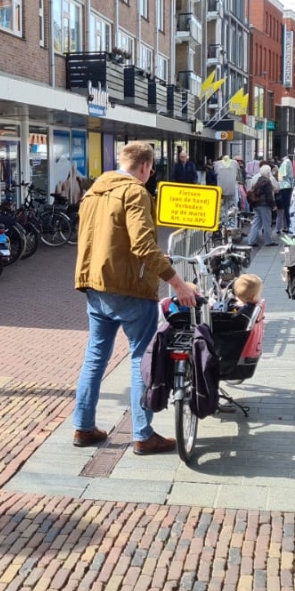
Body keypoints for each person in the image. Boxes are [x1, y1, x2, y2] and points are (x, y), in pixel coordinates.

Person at [72, 141, 199, 456]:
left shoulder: (92, 193)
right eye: (151, 170)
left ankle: (83, 426)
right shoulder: (135, 192)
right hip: (129, 289)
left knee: (95, 357)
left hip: (95, 285)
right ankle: (142, 434)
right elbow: (142, 244)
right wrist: (179, 284)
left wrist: (156, 257)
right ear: (144, 167)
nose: (149, 175)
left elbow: (107, 240)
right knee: (141, 358)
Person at [246, 164, 277, 247]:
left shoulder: (259, 180)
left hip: (256, 204)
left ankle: (251, 241)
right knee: (267, 223)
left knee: (256, 223)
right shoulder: (267, 181)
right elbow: (269, 195)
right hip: (264, 205)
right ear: (268, 172)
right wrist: (273, 205)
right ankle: (268, 241)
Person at [213, 155, 239, 227]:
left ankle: (232, 227)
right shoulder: (217, 164)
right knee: (221, 210)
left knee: (232, 210)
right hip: (221, 190)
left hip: (231, 189)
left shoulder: (234, 163)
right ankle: (223, 226)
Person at [275, 154, 294, 233]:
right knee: (286, 208)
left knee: (286, 208)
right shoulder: (288, 162)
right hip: (287, 186)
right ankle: (287, 226)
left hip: (285, 186)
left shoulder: (286, 162)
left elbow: (283, 175)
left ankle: (288, 226)